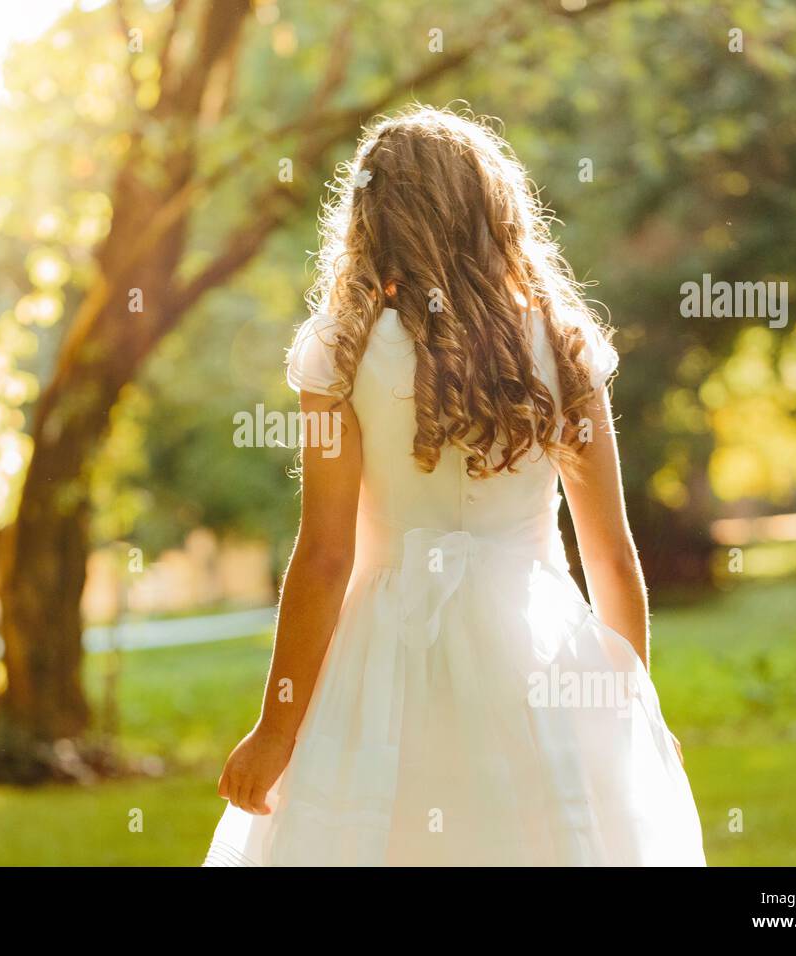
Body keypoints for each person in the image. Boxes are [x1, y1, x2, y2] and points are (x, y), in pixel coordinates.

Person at [205, 106, 705, 866]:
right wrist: (629, 699)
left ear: (371, 219)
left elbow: (325, 557)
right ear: (494, 211)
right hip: (543, 652)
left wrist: (277, 730)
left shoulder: (341, 351)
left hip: (386, 654)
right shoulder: (562, 341)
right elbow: (610, 556)